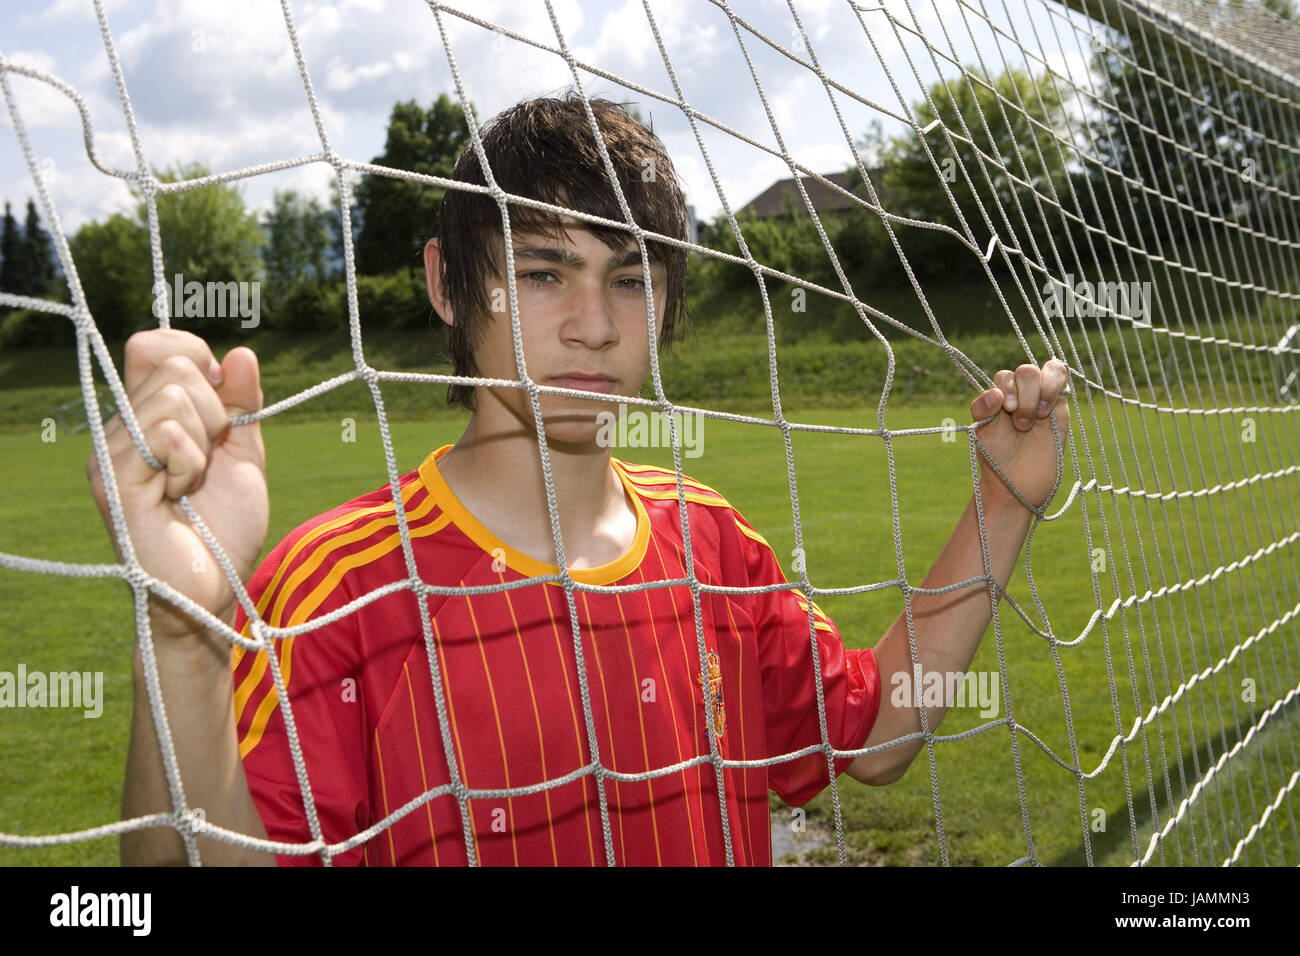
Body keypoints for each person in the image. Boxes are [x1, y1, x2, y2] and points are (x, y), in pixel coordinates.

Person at [87, 92, 1070, 866]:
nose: (595, 323)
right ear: (444, 282)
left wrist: (998, 505)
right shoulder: (337, 585)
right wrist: (180, 628)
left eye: (632, 278)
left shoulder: (712, 542)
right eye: (545, 271)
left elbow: (875, 734)